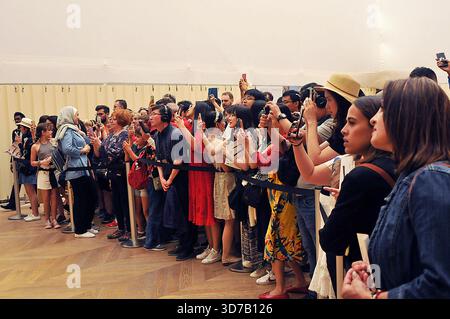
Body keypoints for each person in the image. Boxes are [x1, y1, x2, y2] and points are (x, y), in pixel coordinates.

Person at [342, 77, 450, 299]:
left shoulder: (430, 180)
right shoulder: (409, 176)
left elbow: (441, 284)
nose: (373, 119)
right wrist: (372, 279)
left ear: (406, 116)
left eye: (383, 109)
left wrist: (372, 297)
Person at [313, 96, 396, 294]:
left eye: (352, 122)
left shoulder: (362, 176)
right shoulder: (407, 166)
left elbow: (330, 239)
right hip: (395, 273)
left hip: (368, 270)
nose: (343, 129)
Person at [56, 106, 97, 238]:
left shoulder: (73, 129)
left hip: (82, 168)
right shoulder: (67, 130)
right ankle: (80, 230)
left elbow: (84, 143)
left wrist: (85, 139)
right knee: (82, 199)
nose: (77, 117)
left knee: (89, 196)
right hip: (76, 169)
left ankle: (86, 225)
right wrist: (82, 151)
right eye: (76, 115)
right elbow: (67, 149)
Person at [91, 109, 131, 242]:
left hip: (122, 172)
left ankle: (129, 230)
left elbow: (116, 152)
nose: (111, 121)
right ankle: (120, 227)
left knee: (125, 202)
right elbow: (100, 155)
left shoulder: (124, 134)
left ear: (120, 121)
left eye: (114, 119)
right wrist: (96, 145)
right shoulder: (111, 135)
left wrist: (100, 145)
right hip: (112, 173)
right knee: (116, 201)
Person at [30, 123, 61, 229]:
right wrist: (42, 162)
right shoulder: (35, 146)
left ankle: (54, 218)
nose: (51, 132)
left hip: (54, 172)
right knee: (46, 197)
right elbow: (32, 162)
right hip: (43, 173)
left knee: (54, 196)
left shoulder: (53, 143)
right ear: (43, 132)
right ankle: (47, 219)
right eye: (49, 130)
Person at [15, 118, 40, 221]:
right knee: (29, 191)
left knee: (31, 191)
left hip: (29, 168)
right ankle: (34, 212)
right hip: (27, 167)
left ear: (25, 128)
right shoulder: (27, 138)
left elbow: (27, 153)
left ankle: (35, 213)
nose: (20, 128)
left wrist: (20, 144)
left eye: (21, 126)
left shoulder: (30, 139)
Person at [2, 112, 26, 211]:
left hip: (26, 159)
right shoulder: (15, 132)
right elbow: (14, 146)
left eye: (18, 119)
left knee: (31, 182)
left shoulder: (28, 131)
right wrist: (11, 162)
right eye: (15, 119)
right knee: (16, 182)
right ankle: (13, 203)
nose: (16, 121)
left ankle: (35, 203)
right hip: (17, 159)